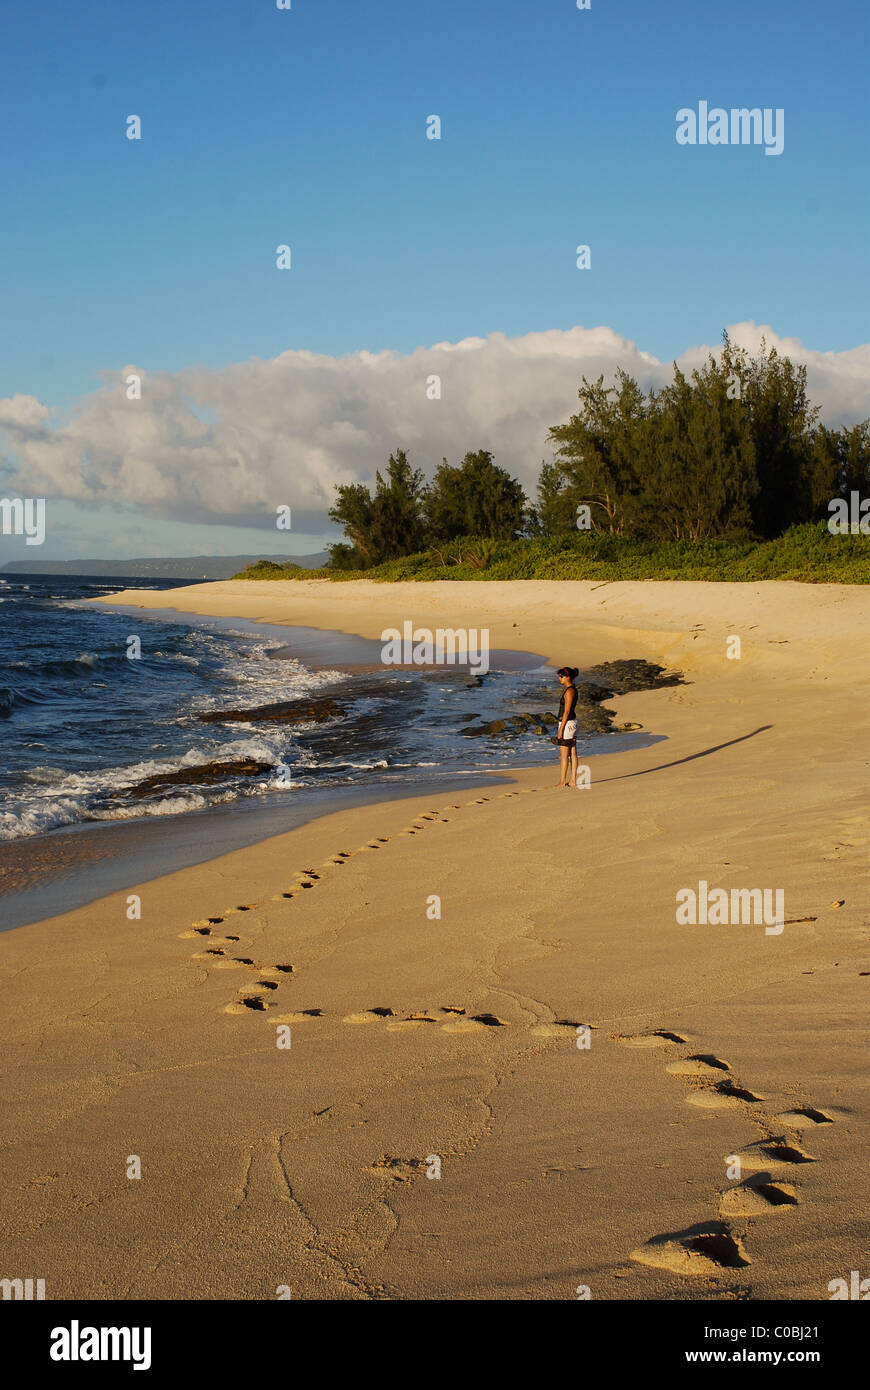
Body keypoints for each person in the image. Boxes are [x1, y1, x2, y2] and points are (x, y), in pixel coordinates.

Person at [555, 666, 579, 787]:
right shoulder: (572, 689)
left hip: (568, 724)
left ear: (568, 677)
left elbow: (566, 711)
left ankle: (563, 781)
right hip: (572, 723)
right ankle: (573, 780)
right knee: (573, 752)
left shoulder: (569, 691)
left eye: (561, 676)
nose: (560, 678)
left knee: (564, 755)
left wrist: (561, 729)